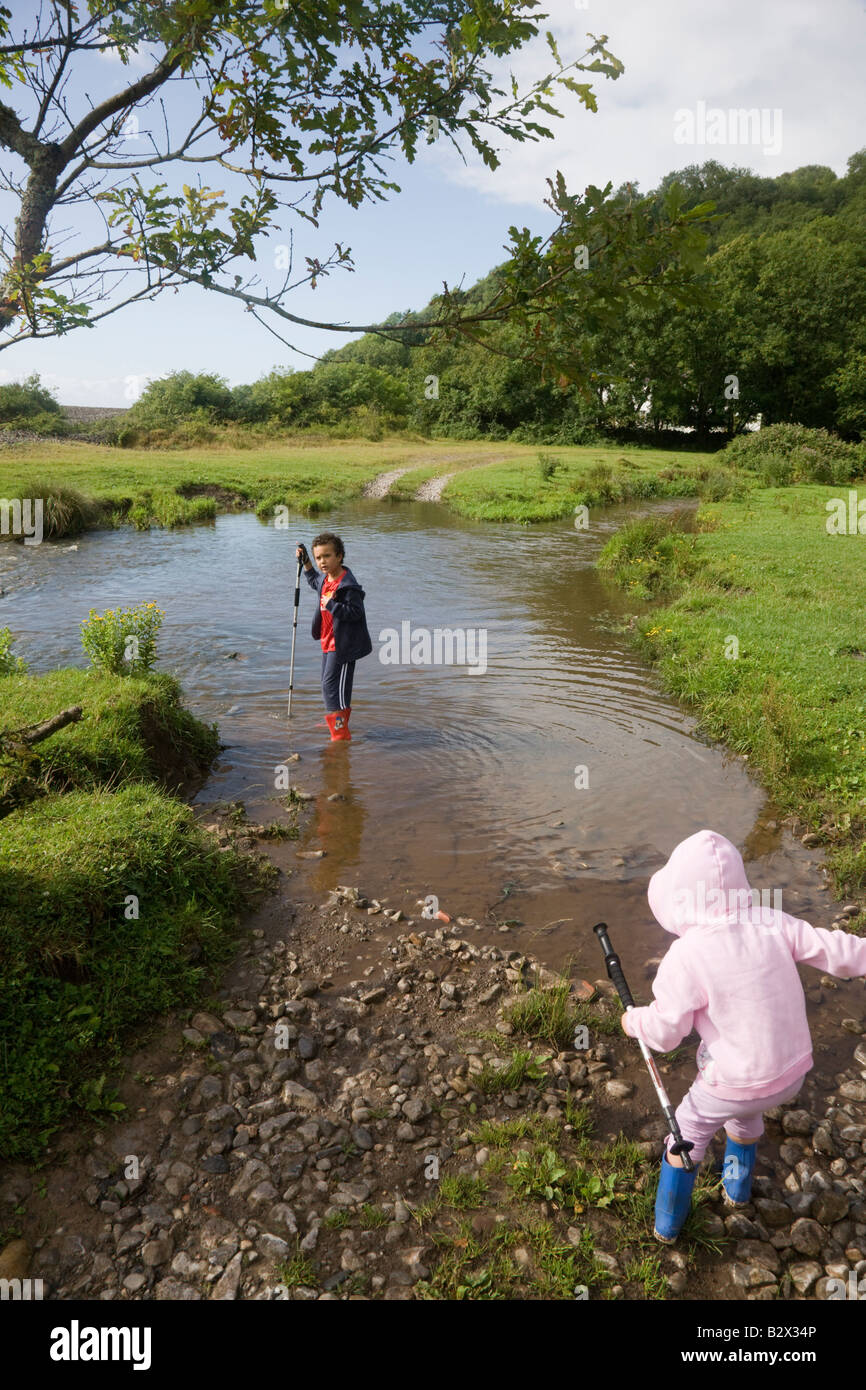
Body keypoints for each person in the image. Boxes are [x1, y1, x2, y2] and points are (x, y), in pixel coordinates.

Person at [621, 828, 866, 1243]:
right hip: (790, 1074)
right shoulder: (773, 921)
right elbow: (838, 952)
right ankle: (736, 1190)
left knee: (688, 1131)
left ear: (679, 900)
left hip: (733, 1081)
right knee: (745, 1113)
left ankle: (668, 1224)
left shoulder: (686, 954)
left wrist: (635, 1022)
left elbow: (666, 1033)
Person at [296, 532, 372, 741]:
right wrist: (306, 562)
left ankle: (339, 733)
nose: (323, 562)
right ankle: (337, 720)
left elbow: (356, 613)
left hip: (344, 647)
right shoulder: (326, 580)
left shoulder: (348, 585)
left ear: (339, 556)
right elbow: (313, 580)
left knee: (331, 688)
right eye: (319, 557)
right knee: (330, 686)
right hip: (327, 642)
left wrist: (332, 604)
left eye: (327, 556)